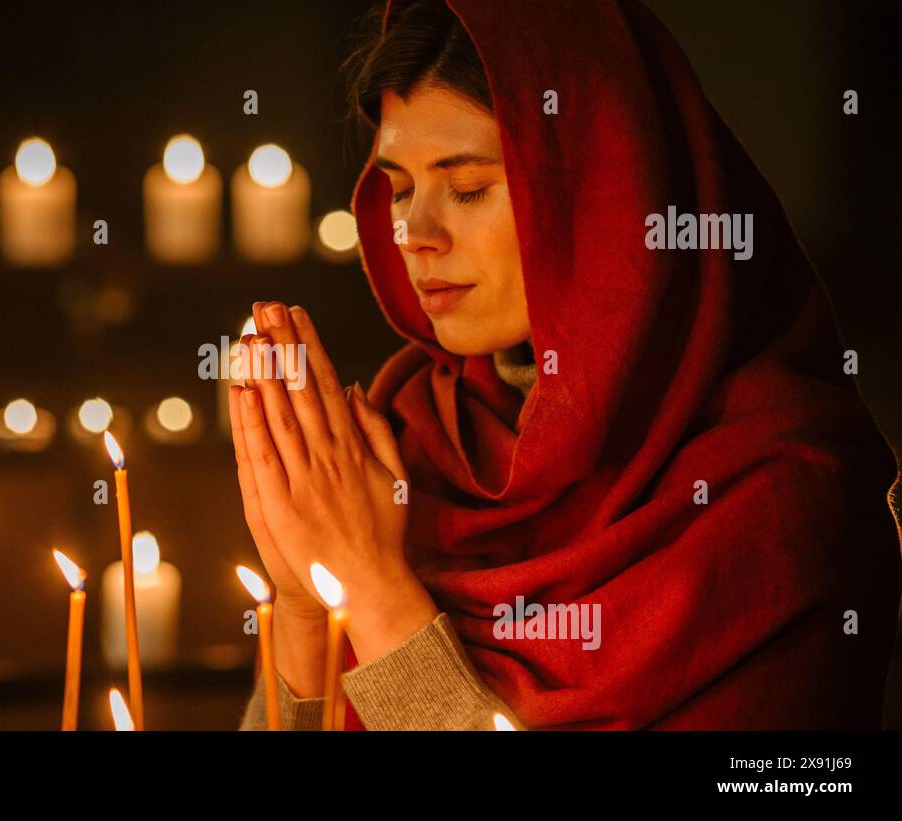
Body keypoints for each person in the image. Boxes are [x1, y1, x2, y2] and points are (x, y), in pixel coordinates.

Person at [233, 0, 902, 730]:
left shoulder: (782, 492)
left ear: (604, 187)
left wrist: (373, 586)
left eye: (467, 188)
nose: (415, 233)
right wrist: (304, 602)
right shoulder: (407, 442)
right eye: (399, 188)